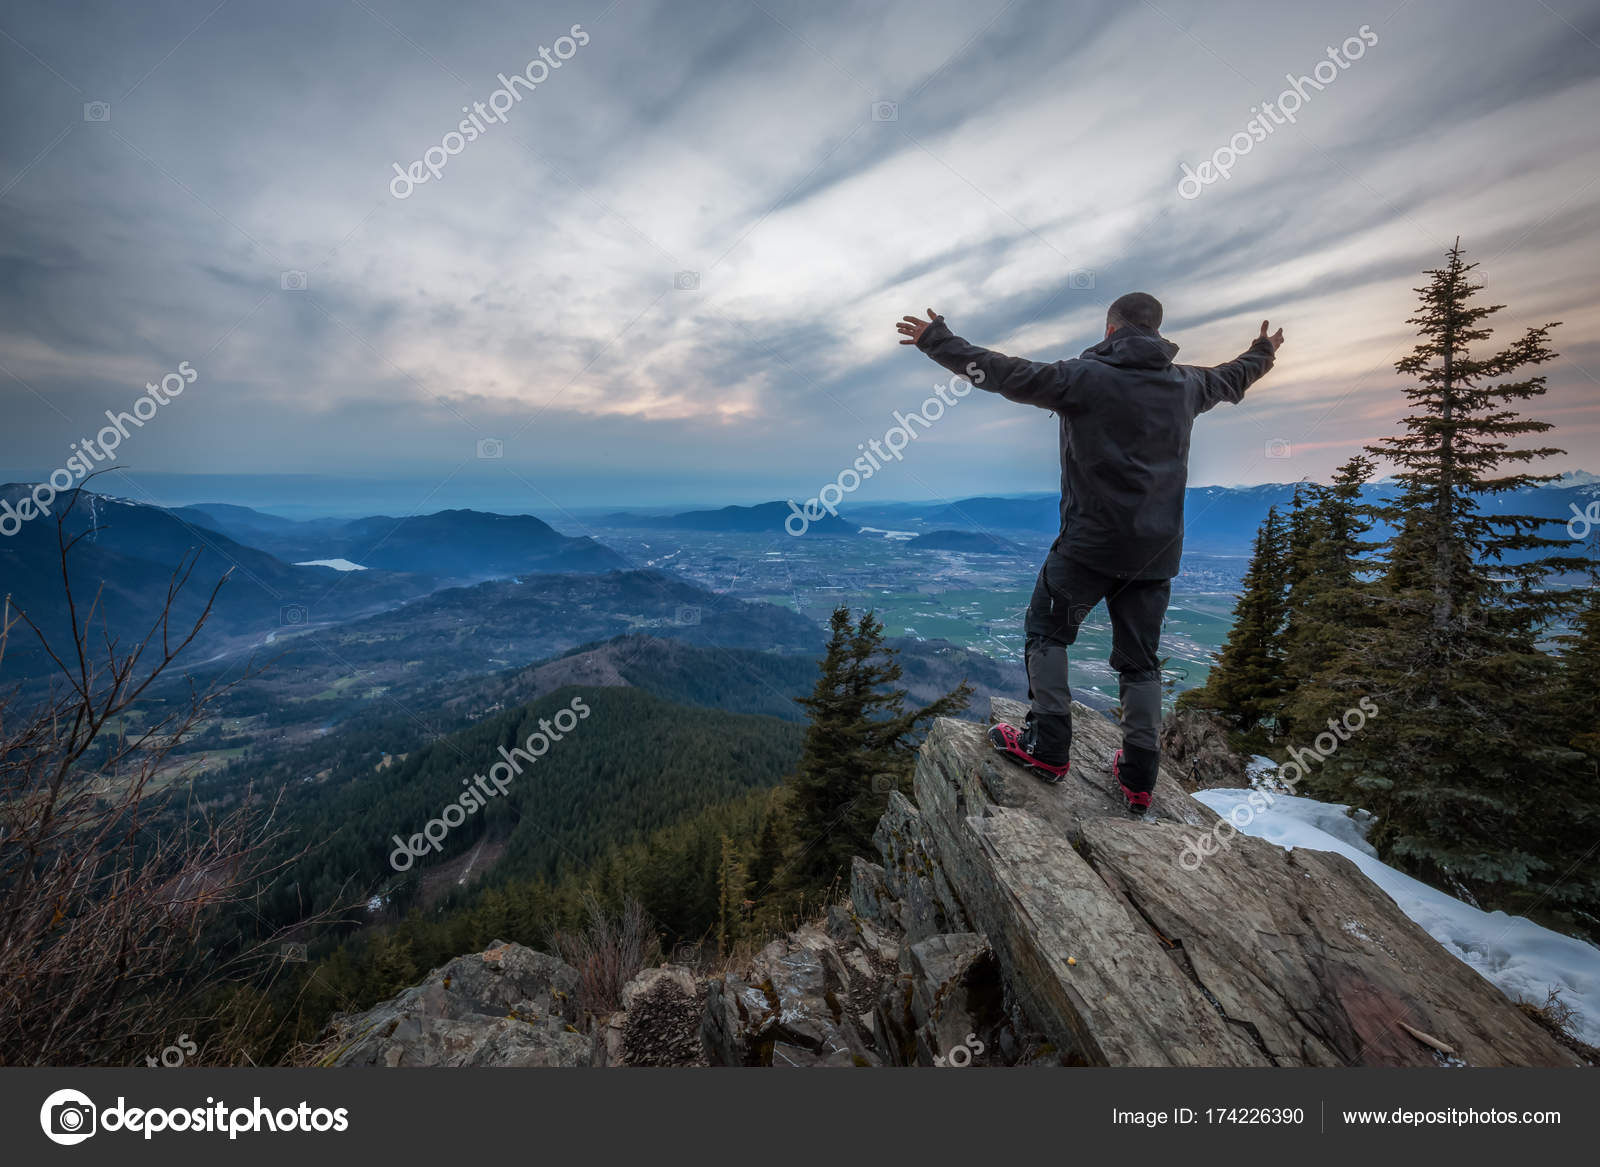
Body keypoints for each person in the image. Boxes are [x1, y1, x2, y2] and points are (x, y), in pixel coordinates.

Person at [896, 293, 1283, 815]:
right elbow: (1234, 377)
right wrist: (1263, 349)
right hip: (1156, 551)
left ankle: (1048, 747)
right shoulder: (1187, 384)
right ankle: (1141, 775)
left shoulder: (1083, 378)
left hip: (1089, 544)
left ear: (1110, 328)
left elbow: (1001, 372)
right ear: (1157, 332)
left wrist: (935, 340)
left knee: (1046, 631)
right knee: (1140, 662)